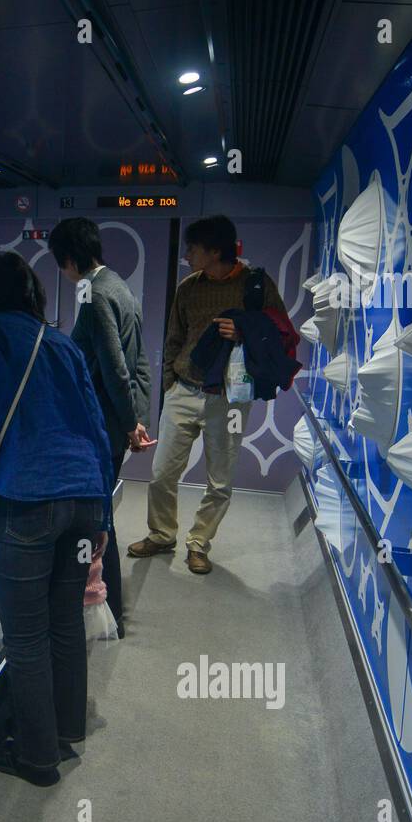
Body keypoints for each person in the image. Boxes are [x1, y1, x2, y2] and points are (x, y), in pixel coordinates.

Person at [0, 252, 114, 787]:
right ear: (34, 295)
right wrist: (105, 515)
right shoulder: (62, 343)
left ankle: (39, 760)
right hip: (85, 501)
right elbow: (96, 429)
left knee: (25, 637)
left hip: (25, 502)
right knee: (66, 620)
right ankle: (69, 728)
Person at [127, 214, 288, 575]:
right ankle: (162, 533)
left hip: (229, 396)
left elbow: (280, 332)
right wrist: (169, 382)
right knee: (161, 473)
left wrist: (245, 330)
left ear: (215, 251)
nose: (187, 254)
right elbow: (173, 338)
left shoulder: (256, 285)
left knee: (220, 480)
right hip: (183, 389)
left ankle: (199, 543)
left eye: (193, 248)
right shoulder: (189, 287)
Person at [48, 218, 152, 637]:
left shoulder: (91, 292)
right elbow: (136, 359)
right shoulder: (119, 283)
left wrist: (129, 425)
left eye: (61, 262)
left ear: (69, 259)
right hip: (118, 418)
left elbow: (113, 366)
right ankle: (106, 606)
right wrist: (137, 416)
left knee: (97, 518)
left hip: (104, 422)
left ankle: (107, 611)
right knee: (100, 511)